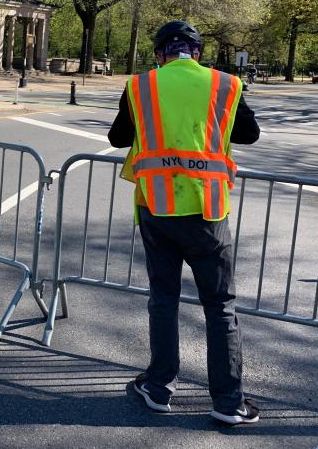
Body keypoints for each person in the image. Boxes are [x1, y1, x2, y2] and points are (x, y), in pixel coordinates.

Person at [108, 21, 261, 425]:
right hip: (208, 213)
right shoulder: (225, 85)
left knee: (164, 299)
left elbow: (117, 137)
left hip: (157, 209)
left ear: (159, 54)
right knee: (220, 307)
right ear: (197, 53)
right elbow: (249, 134)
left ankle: (159, 388)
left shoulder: (140, 86)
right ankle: (228, 403)